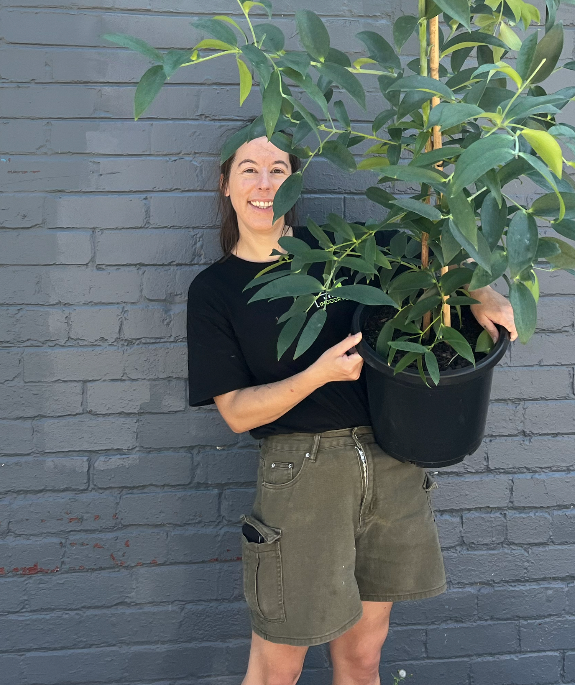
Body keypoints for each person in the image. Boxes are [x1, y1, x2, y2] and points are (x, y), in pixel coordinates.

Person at [186, 134, 518, 685]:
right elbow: (238, 412)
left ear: (295, 182)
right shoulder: (215, 289)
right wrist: (317, 374)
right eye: (249, 170)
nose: (264, 184)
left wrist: (481, 291)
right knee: (277, 668)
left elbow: (430, 254)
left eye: (277, 169)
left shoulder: (343, 249)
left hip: (388, 461)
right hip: (302, 476)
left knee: (363, 660)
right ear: (226, 185)